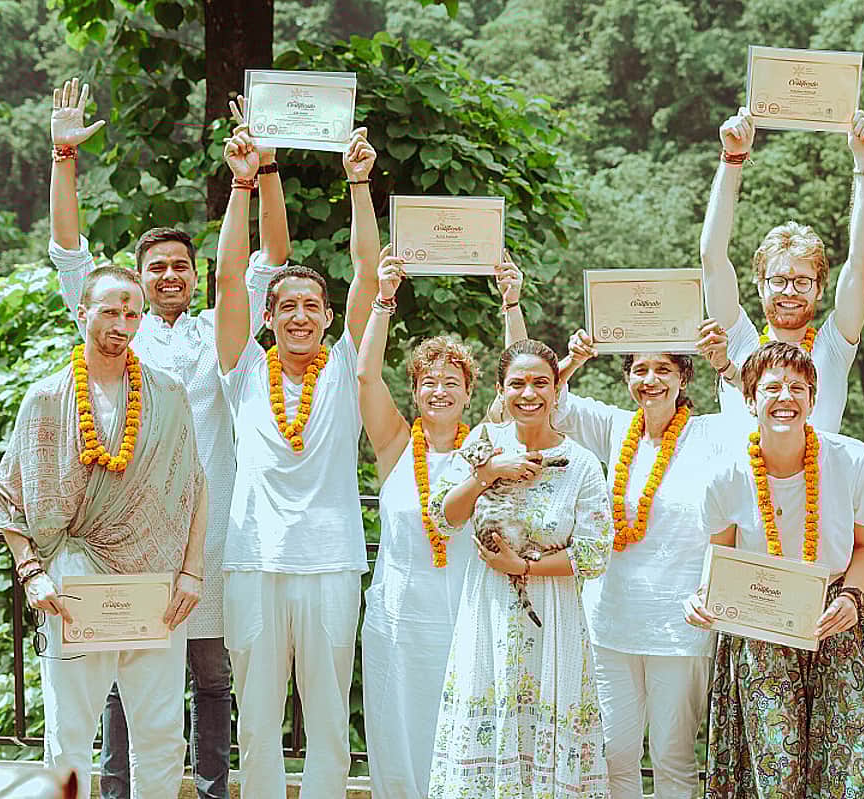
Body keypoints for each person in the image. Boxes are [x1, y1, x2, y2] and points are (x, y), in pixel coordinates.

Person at [46, 78, 289, 799]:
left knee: (212, 678)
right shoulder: (118, 329)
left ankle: (213, 791)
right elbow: (68, 251)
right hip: (125, 543)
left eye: (182, 264)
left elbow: (271, 257)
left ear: (194, 275)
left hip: (206, 540)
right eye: (157, 266)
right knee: (126, 680)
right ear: (140, 280)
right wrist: (63, 153)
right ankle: (119, 792)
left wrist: (263, 170)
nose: (170, 274)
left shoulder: (227, 333)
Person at [0, 266, 207, 799]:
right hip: (72, 579)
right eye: (110, 310)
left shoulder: (168, 393)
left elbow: (194, 488)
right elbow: (6, 492)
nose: (122, 322)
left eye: (132, 312)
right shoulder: (46, 398)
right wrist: (31, 572)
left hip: (155, 583)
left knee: (161, 734)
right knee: (69, 736)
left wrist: (191, 573)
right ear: (82, 312)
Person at [213, 124, 380, 797]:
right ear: (270, 317)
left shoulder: (343, 369)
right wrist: (240, 184)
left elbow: (370, 270)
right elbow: (229, 277)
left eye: (313, 306)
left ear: (330, 318)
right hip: (252, 563)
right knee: (254, 724)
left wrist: (360, 183)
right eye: (288, 307)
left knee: (331, 724)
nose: (301, 316)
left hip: (331, 562)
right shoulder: (243, 369)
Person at [684, 341, 864, 798]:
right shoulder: (725, 475)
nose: (785, 397)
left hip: (840, 615)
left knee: (856, 763)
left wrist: (851, 597)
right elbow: (719, 556)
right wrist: (703, 595)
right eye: (772, 387)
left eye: (798, 387)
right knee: (775, 770)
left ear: (813, 400)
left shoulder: (852, 458)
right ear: (750, 399)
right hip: (762, 625)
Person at [356, 247, 521, 799]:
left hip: (467, 615)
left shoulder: (487, 444)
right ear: (415, 391)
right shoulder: (396, 443)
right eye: (429, 381)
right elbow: (364, 375)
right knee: (397, 729)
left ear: (471, 393)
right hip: (400, 618)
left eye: (452, 381)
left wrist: (510, 302)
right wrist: (383, 299)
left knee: (466, 732)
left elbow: (520, 367)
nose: (440, 390)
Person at [546, 327, 737, 799]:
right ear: (628, 376)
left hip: (681, 625)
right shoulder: (615, 427)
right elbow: (551, 404)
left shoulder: (709, 433)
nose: (650, 380)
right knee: (614, 752)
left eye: (663, 369)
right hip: (610, 623)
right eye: (639, 369)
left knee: (673, 755)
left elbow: (757, 414)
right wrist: (574, 359)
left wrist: (724, 362)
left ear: (683, 377)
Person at [428, 339, 611, 799]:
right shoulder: (483, 445)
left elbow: (594, 553)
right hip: (488, 614)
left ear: (555, 390)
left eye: (540, 383)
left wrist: (523, 566)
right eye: (517, 384)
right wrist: (488, 473)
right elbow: (443, 517)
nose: (529, 394)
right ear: (500, 389)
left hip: (554, 620)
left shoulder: (583, 464)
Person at [696, 106, 864, 432]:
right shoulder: (739, 342)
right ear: (759, 285)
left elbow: (861, 261)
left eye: (802, 281)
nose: (789, 292)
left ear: (820, 288)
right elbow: (712, 257)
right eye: (779, 280)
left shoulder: (833, 347)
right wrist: (732, 159)